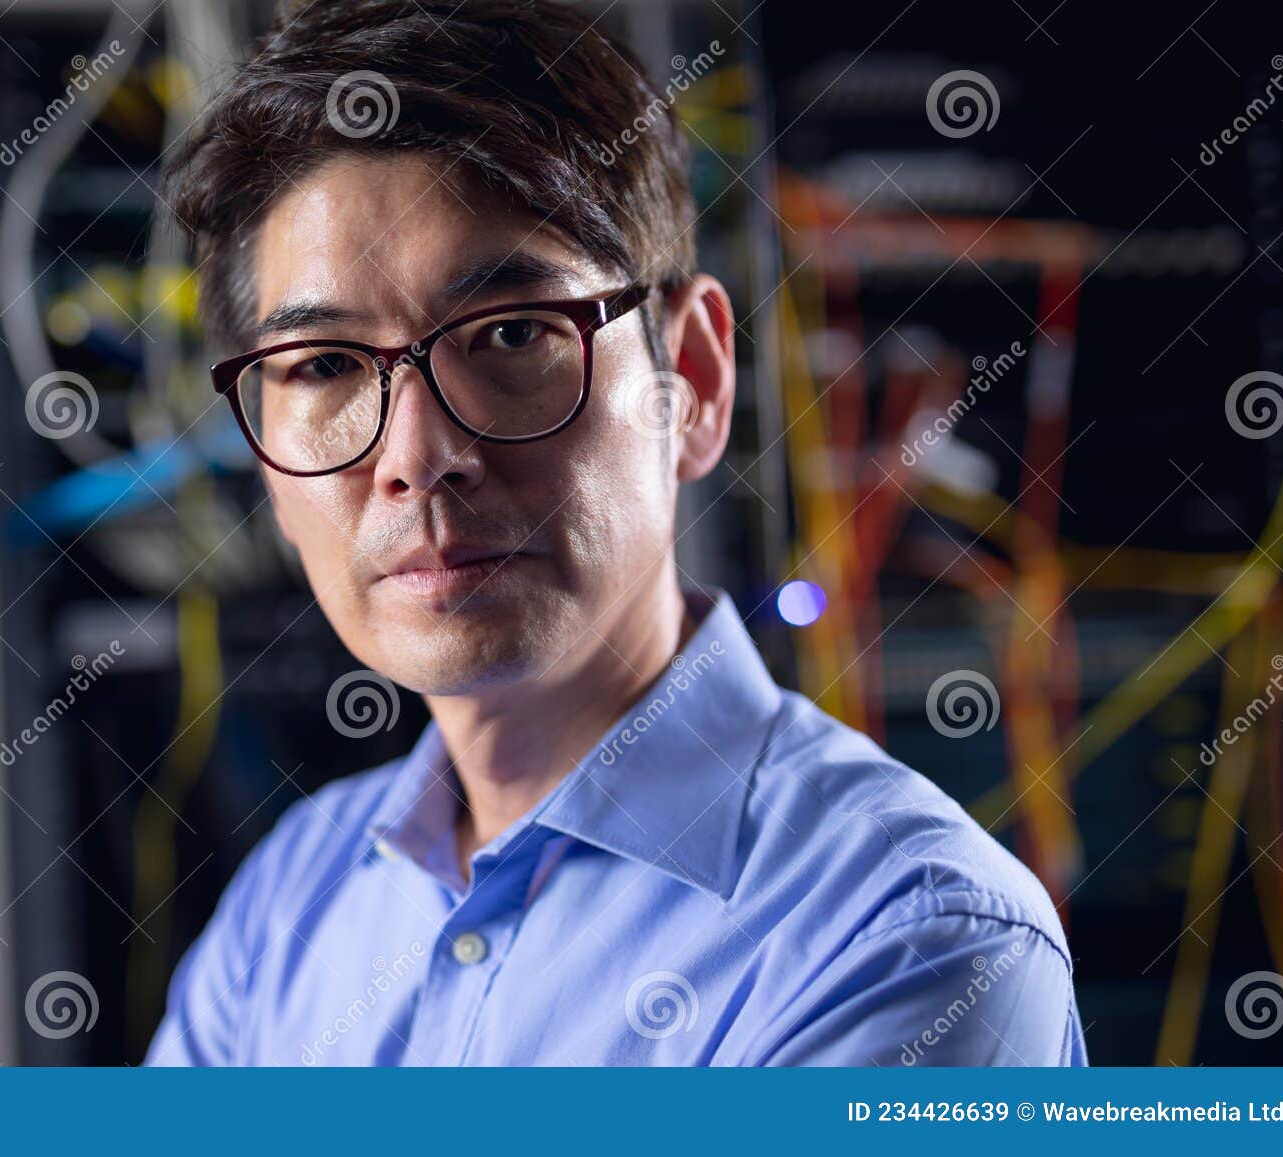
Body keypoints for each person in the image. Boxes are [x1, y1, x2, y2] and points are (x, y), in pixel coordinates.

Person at [144, 0, 1085, 1066]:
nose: (416, 451)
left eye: (510, 333)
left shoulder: (906, 941)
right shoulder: (288, 908)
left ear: (691, 378)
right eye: (322, 364)